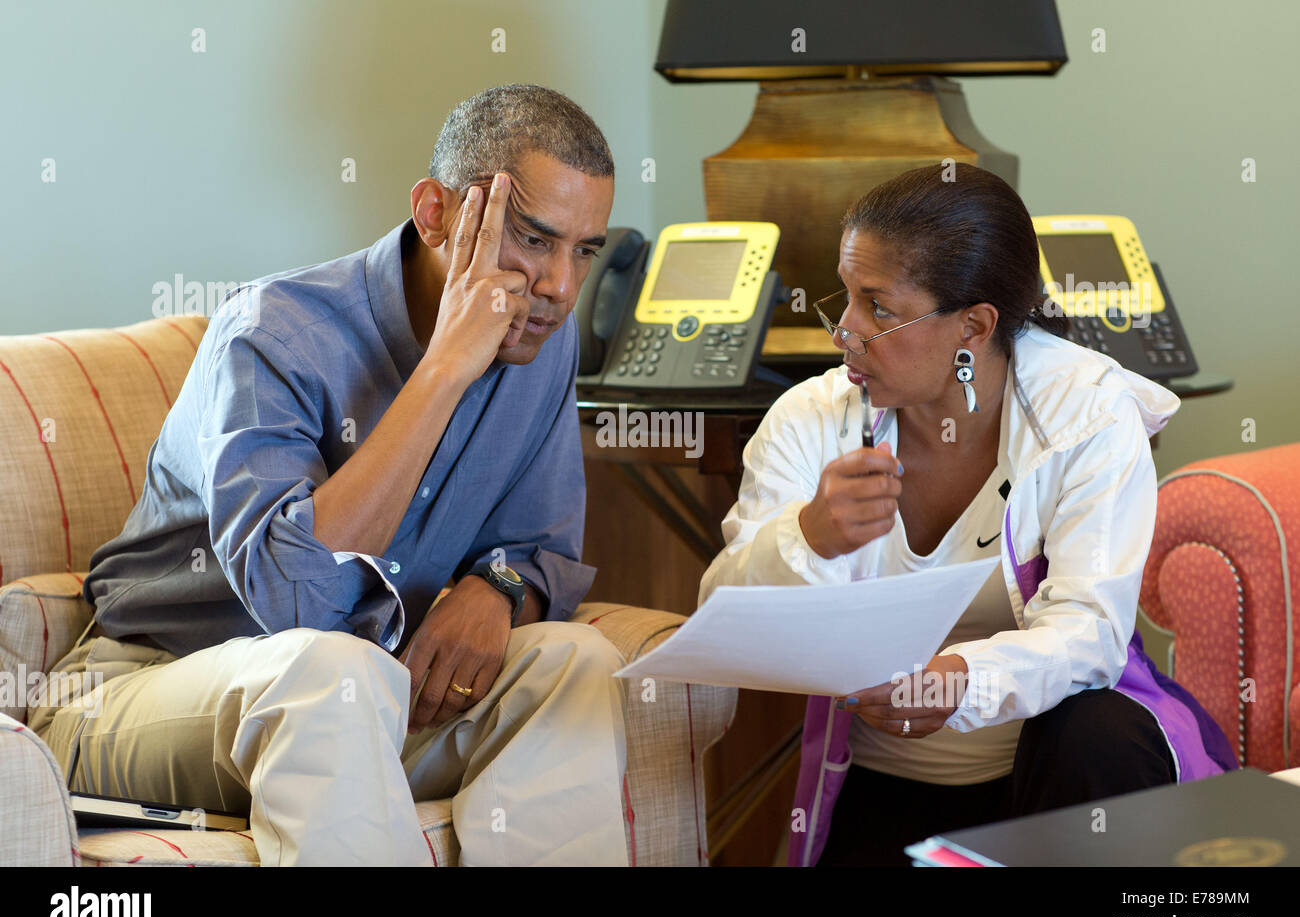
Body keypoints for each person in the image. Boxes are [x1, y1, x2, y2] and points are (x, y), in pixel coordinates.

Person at [28, 84, 630, 866]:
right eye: (533, 239)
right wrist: (444, 368)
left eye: (585, 250)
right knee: (331, 671)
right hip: (141, 692)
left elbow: (542, 547)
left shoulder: (542, 339)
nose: (560, 286)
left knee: (578, 665)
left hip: (359, 702)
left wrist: (500, 589)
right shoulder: (271, 332)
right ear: (435, 212)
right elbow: (302, 602)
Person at [698, 163, 1237, 867]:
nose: (845, 333)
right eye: (846, 297)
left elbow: (1091, 631)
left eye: (879, 307)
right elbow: (719, 613)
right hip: (881, 780)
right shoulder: (810, 419)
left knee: (1096, 733)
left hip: (1049, 776)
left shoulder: (1087, 415)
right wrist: (806, 537)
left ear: (974, 326)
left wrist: (962, 680)